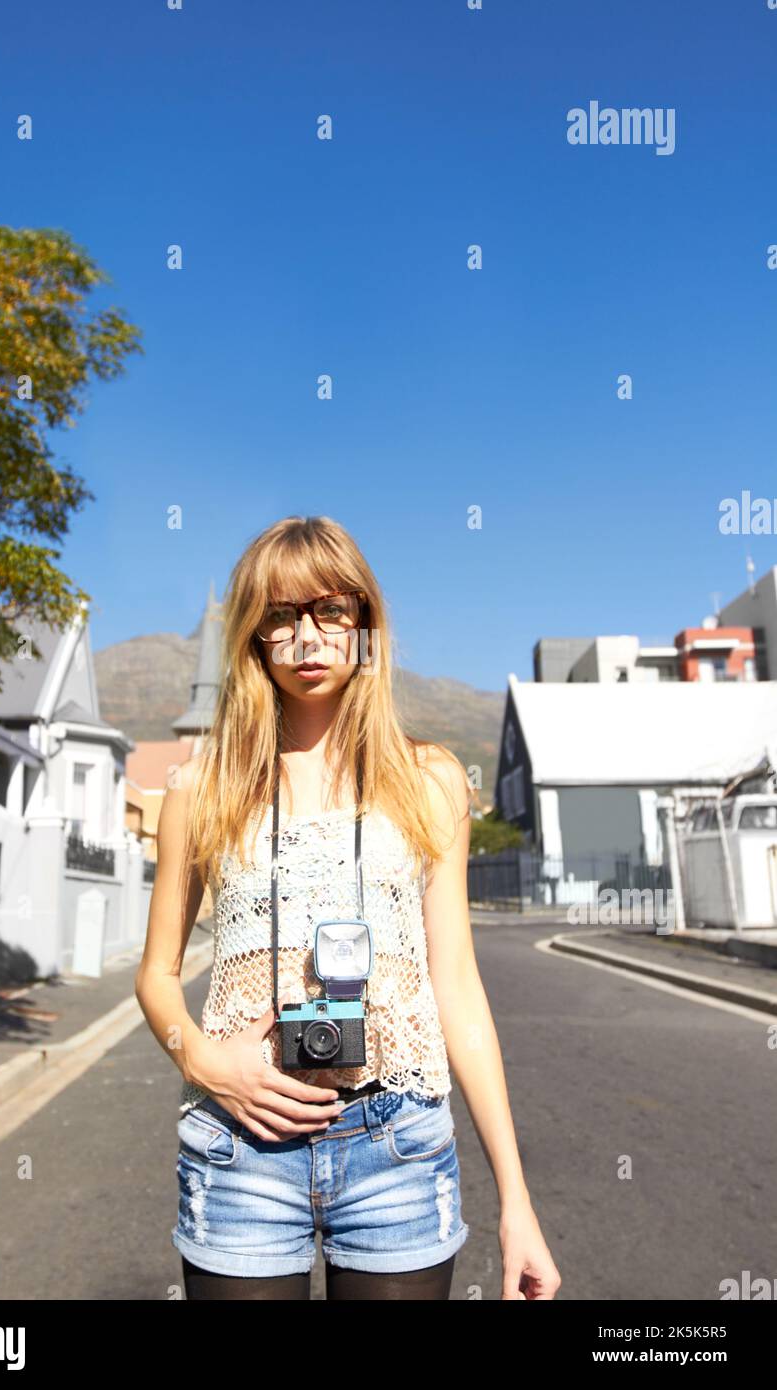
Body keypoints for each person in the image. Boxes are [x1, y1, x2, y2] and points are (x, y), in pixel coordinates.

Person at [135, 514, 561, 1301]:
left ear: (365, 626)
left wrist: (516, 1202)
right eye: (281, 616)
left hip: (396, 1147)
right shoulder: (199, 790)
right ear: (253, 637)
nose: (307, 639)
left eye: (331, 612)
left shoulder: (429, 780)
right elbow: (156, 974)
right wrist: (204, 1062)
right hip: (240, 1144)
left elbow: (457, 987)